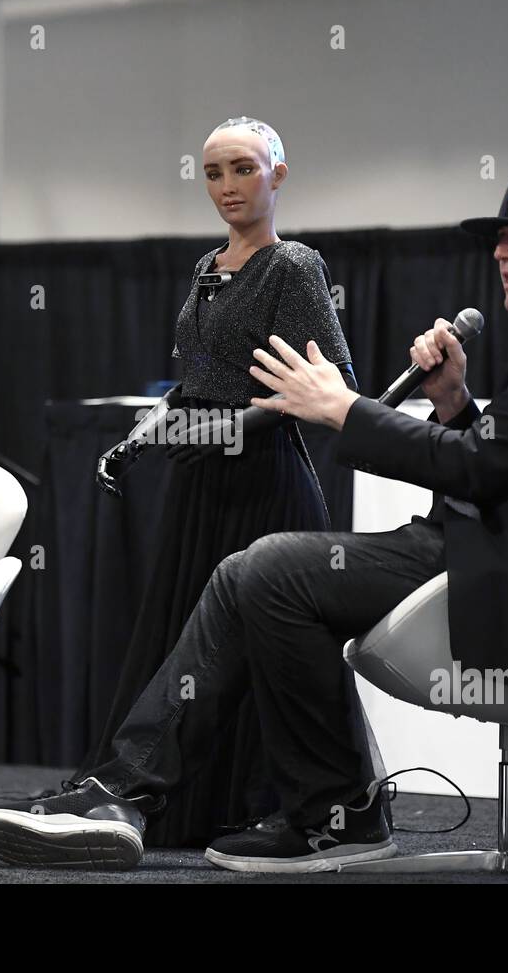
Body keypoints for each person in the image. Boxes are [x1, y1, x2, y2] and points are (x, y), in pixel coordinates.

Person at [0, 168, 508, 872]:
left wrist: (342, 408)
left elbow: (479, 472)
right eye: (498, 240)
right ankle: (268, 803)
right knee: (258, 571)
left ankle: (264, 804)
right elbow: (506, 459)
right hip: (494, 551)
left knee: (268, 570)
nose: (501, 252)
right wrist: (456, 401)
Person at [71, 116, 358, 847]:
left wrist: (224, 429)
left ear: (278, 176)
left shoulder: (292, 266)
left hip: (265, 485)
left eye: (242, 168)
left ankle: (275, 806)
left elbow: (333, 388)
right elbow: (196, 381)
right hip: (197, 487)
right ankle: (160, 802)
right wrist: (145, 433)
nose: (227, 186)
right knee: (186, 645)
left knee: (264, 646)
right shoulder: (208, 267)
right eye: (213, 172)